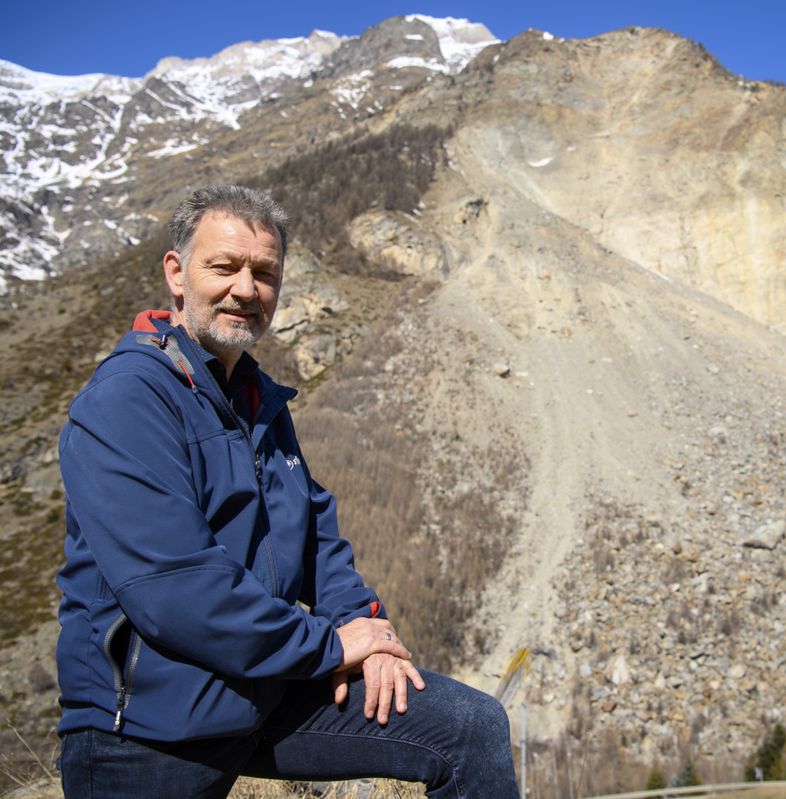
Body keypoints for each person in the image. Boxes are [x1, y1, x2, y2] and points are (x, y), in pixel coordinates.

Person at [54, 184, 519, 798]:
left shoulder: (257, 400)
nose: (245, 289)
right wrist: (329, 646)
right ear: (176, 272)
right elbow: (175, 592)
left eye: (264, 273)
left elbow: (315, 538)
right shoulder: (128, 400)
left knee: (469, 728)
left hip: (262, 692)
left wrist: (367, 633)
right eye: (223, 267)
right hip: (147, 727)